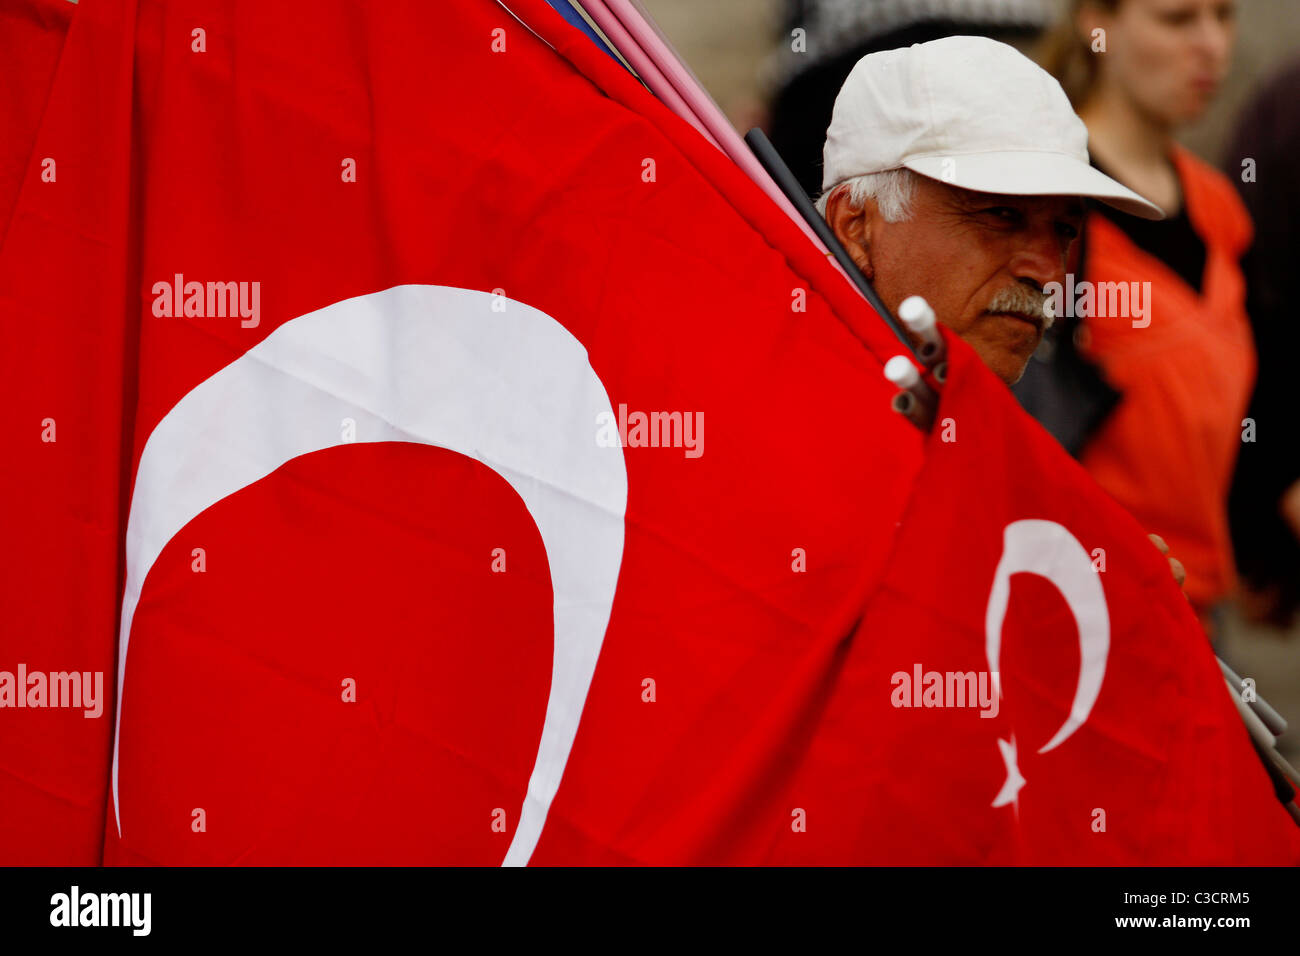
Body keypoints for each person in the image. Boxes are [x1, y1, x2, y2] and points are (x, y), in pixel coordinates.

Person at [1026, 0, 1250, 625]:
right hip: (1091, 601)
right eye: (1178, 19)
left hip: (1202, 604)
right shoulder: (1047, 200)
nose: (1211, 46)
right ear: (1096, 22)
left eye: (1224, 16)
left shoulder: (1218, 206)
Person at [816, 35, 1161, 387]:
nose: (1050, 276)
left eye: (1064, 231)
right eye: (1002, 215)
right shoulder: (773, 416)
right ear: (855, 226)